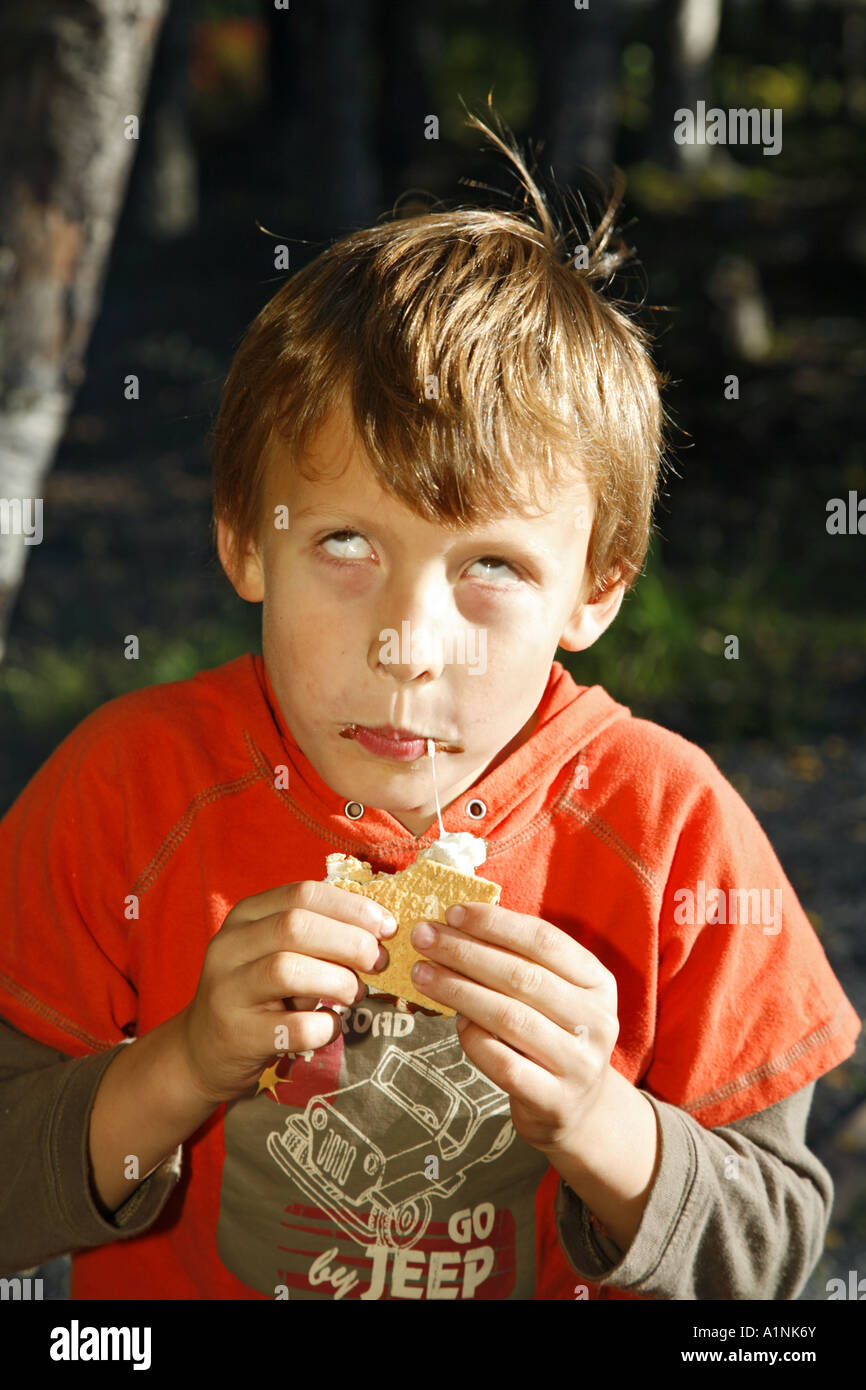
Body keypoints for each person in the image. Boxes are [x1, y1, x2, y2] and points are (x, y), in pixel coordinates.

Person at [0, 117, 859, 1301]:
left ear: (595, 588)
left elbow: (771, 1255)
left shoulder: (668, 831)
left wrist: (601, 1119)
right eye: (346, 542)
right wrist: (180, 1066)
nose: (409, 644)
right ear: (248, 539)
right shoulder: (122, 791)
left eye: (491, 568)